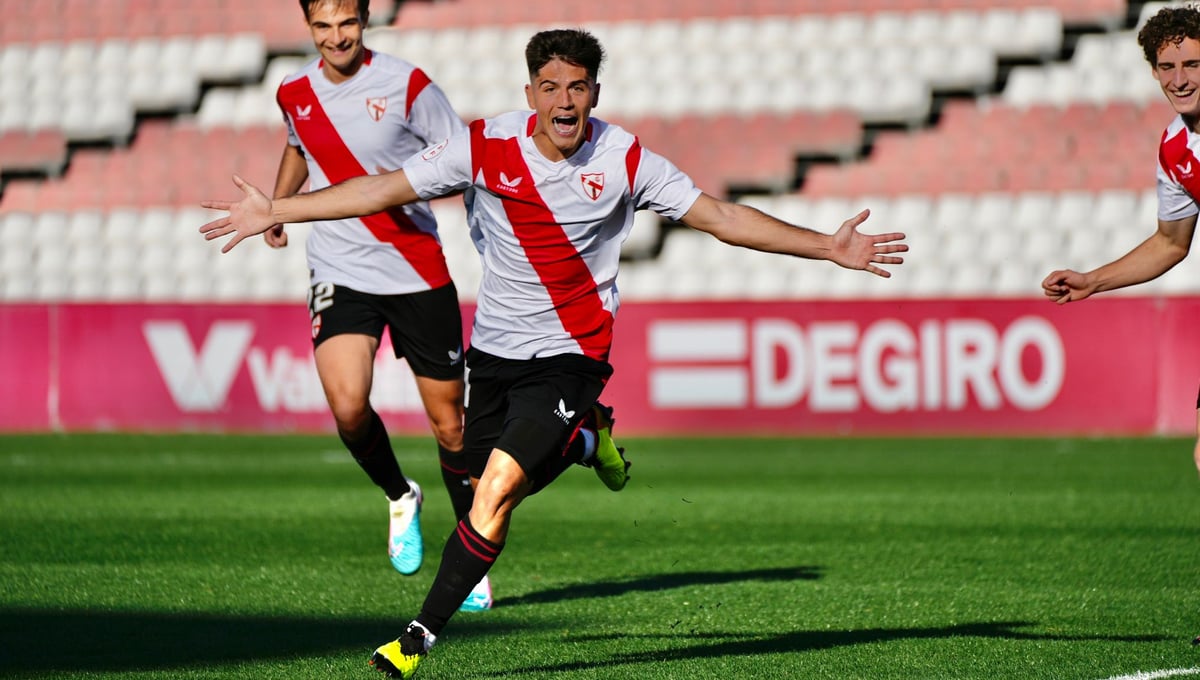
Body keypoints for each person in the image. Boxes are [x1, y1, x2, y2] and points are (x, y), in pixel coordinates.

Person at [200, 28, 907, 678]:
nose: (564, 101)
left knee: (499, 489)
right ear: (529, 93)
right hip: (496, 356)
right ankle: (585, 439)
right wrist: (278, 209)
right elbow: (381, 189)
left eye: (578, 87)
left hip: (573, 354)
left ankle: (415, 639)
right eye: (551, 87)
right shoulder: (482, 146)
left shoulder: (624, 157)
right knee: (482, 489)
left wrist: (826, 247)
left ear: (594, 93)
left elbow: (718, 216)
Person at [269, 0, 491, 610]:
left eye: (346, 23)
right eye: (322, 25)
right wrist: (277, 206)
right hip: (340, 267)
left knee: (452, 426)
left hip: (416, 268)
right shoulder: (292, 91)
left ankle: (469, 556)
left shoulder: (408, 85)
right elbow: (298, 146)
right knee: (346, 406)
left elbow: (464, 157)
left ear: (364, 21)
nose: (335, 37)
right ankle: (400, 495)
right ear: (308, 27)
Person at [1041, 4, 1200, 480]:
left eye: (1193, 64)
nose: (1180, 79)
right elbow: (1171, 243)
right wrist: (1094, 279)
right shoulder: (1174, 149)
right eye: (1167, 67)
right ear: (1153, 72)